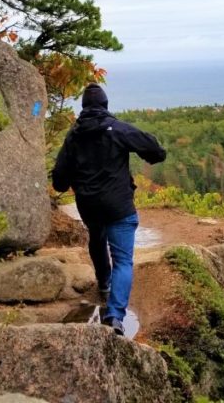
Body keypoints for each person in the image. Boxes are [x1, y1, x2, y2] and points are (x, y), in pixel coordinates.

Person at [51, 83, 166, 336]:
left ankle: (104, 283)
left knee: (97, 236)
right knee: (123, 260)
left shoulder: (73, 137)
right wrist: (156, 154)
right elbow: (155, 150)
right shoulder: (117, 129)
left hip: (89, 205)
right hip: (118, 205)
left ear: (83, 108)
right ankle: (114, 316)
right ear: (104, 105)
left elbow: (59, 179)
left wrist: (73, 180)